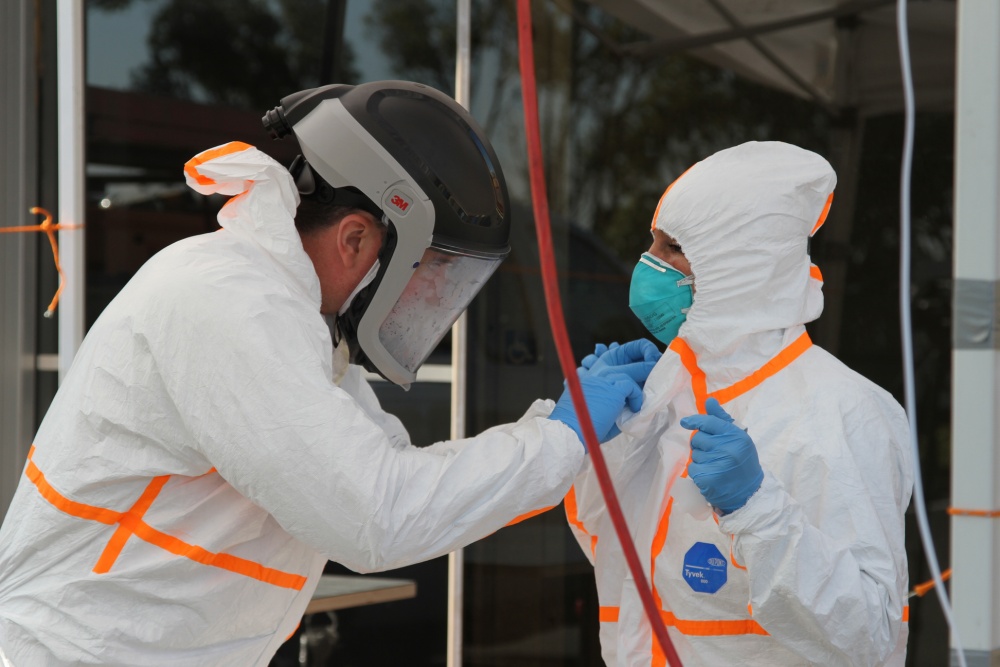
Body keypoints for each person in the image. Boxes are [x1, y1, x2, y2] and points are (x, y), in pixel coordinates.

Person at [0, 80, 660, 667]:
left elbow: (396, 474)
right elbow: (378, 515)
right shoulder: (229, 303)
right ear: (355, 239)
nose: (432, 302)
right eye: (433, 274)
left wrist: (554, 420)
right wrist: (564, 435)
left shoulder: (300, 324)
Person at [566, 141, 914, 666]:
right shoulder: (670, 391)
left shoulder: (843, 411)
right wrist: (603, 444)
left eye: (673, 248)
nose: (647, 266)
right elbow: (611, 548)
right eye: (651, 243)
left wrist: (757, 510)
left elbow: (870, 635)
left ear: (741, 266)